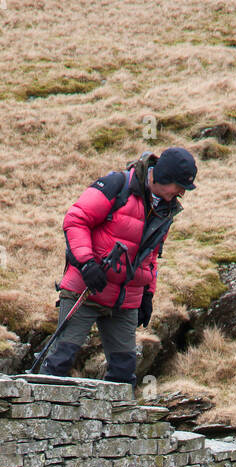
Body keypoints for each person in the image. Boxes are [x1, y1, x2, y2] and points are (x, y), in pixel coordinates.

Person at [39, 146, 198, 386]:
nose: (181, 194)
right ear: (163, 178)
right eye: (179, 187)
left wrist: (147, 294)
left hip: (126, 300)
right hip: (86, 290)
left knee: (123, 373)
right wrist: (87, 264)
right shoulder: (117, 185)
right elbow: (75, 220)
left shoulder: (166, 209)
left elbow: (151, 255)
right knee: (59, 361)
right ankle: (37, 417)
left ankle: (111, 422)